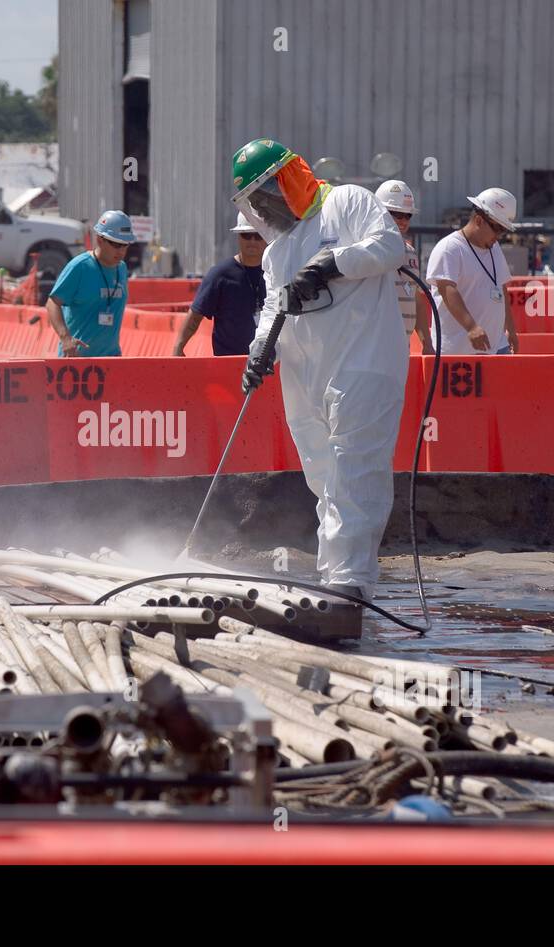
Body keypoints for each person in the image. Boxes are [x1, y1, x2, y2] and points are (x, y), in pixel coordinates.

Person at [233, 138, 407, 601]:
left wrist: (332, 263)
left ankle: (350, 587)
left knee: (354, 474)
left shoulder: (347, 202)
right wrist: (258, 351)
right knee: (323, 478)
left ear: (286, 181)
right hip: (305, 375)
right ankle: (334, 579)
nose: (263, 211)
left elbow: (391, 248)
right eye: (255, 204)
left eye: (265, 197)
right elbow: (273, 308)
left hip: (363, 363)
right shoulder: (277, 251)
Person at [425, 188, 520, 356]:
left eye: (504, 230)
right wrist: (472, 327)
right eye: (498, 228)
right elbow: (446, 289)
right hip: (458, 353)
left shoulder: (494, 248)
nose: (499, 236)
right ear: (479, 220)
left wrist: (510, 330)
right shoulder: (449, 248)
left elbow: (501, 288)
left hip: (497, 347)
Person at [173, 213, 267, 356]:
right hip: (228, 363)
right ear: (238, 236)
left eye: (258, 235)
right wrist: (178, 347)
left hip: (267, 363)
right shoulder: (220, 274)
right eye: (246, 235)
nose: (252, 241)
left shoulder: (275, 273)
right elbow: (195, 316)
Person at [45, 209, 133, 357]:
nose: (121, 251)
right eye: (115, 244)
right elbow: (52, 303)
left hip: (111, 358)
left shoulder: (121, 268)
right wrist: (65, 338)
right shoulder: (80, 266)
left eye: (125, 244)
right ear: (100, 240)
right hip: (77, 360)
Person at [374, 179, 432, 354]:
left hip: (400, 349)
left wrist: (427, 344)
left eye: (408, 215)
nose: (403, 220)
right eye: (396, 214)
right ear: (380, 212)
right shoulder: (367, 251)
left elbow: (416, 300)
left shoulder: (410, 252)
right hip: (372, 348)